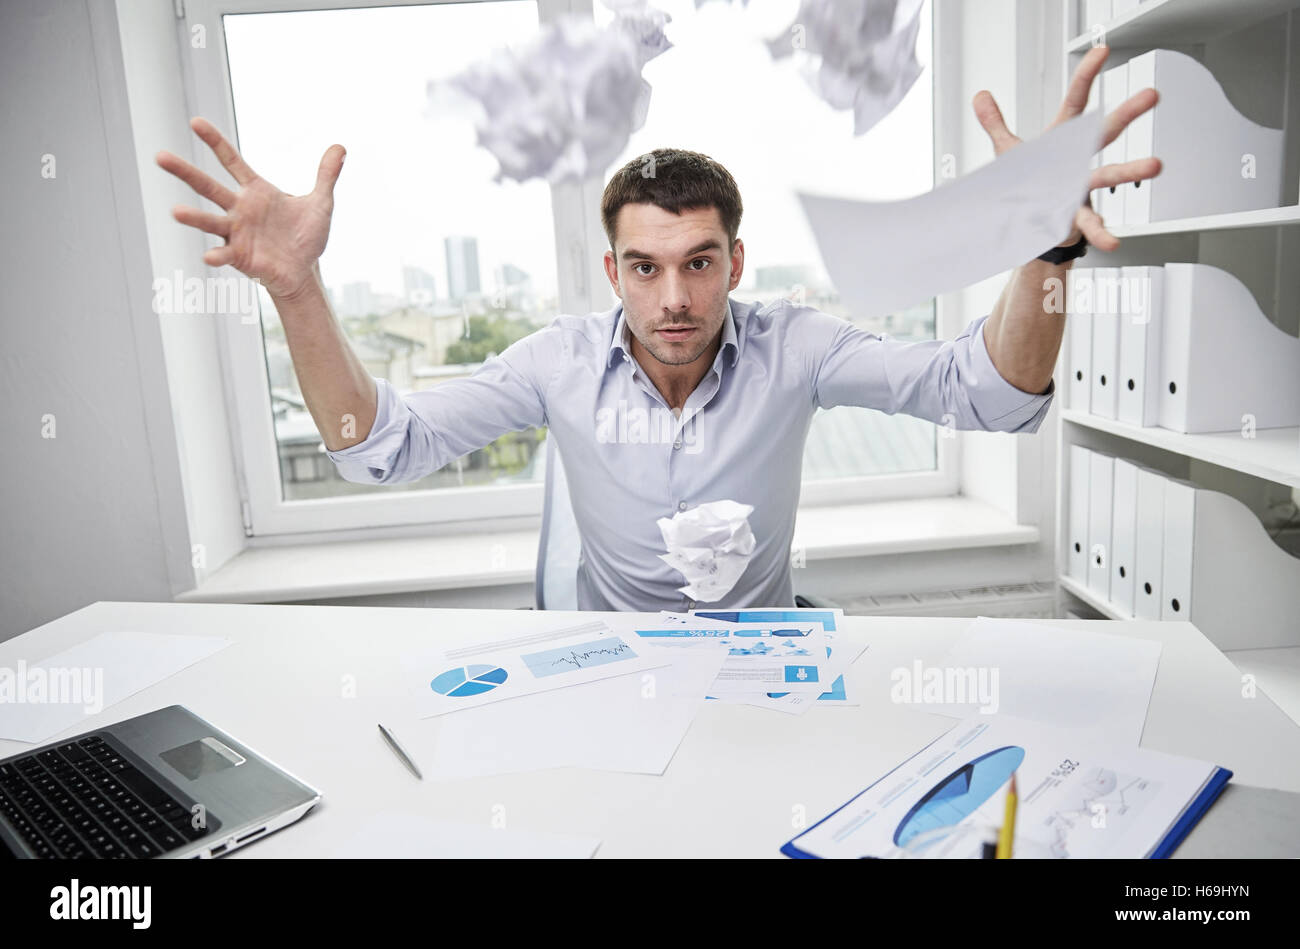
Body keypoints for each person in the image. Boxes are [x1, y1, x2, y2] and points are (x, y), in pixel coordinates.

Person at [155, 45, 1159, 612]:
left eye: (697, 264)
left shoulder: (795, 347)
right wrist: (293, 287)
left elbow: (990, 394)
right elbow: (376, 451)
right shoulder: (555, 363)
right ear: (613, 273)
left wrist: (1044, 252)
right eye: (645, 268)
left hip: (768, 660)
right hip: (611, 666)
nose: (672, 298)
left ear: (734, 261)